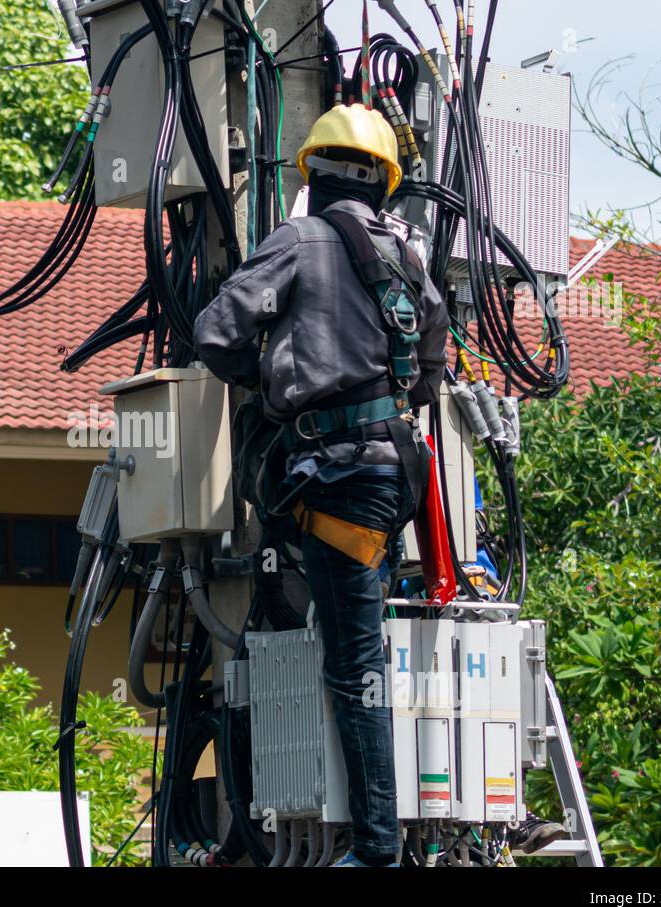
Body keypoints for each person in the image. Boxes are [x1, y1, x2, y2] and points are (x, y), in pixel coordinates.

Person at [194, 104, 450, 867]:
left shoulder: (297, 240)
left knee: (355, 665)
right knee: (343, 639)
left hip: (332, 477)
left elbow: (214, 333)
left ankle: (376, 851)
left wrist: (271, 385)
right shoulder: (408, 251)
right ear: (385, 182)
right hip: (392, 473)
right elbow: (432, 366)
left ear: (312, 173)